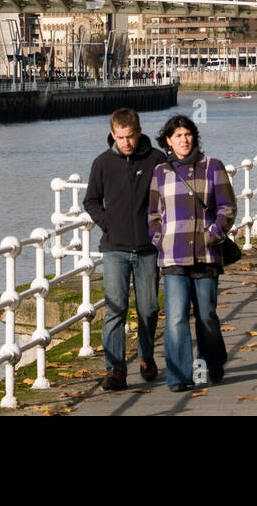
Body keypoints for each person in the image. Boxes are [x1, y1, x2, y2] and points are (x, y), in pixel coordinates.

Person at [148, 114, 236, 392]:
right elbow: (152, 214)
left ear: (194, 137)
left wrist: (213, 235)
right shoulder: (161, 172)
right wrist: (159, 240)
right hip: (173, 255)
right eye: (177, 136)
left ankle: (212, 360)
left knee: (206, 316)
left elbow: (227, 208)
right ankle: (178, 375)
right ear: (168, 141)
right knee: (175, 317)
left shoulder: (212, 167)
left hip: (206, 254)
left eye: (187, 134)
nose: (183, 140)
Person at [83, 108, 168, 391]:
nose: (126, 143)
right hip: (114, 248)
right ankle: (116, 370)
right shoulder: (102, 163)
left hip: (147, 248)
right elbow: (91, 201)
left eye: (130, 136)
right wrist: (108, 223)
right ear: (112, 135)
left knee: (148, 309)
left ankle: (146, 358)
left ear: (139, 132)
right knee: (115, 309)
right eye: (120, 137)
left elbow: (170, 197)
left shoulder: (157, 160)